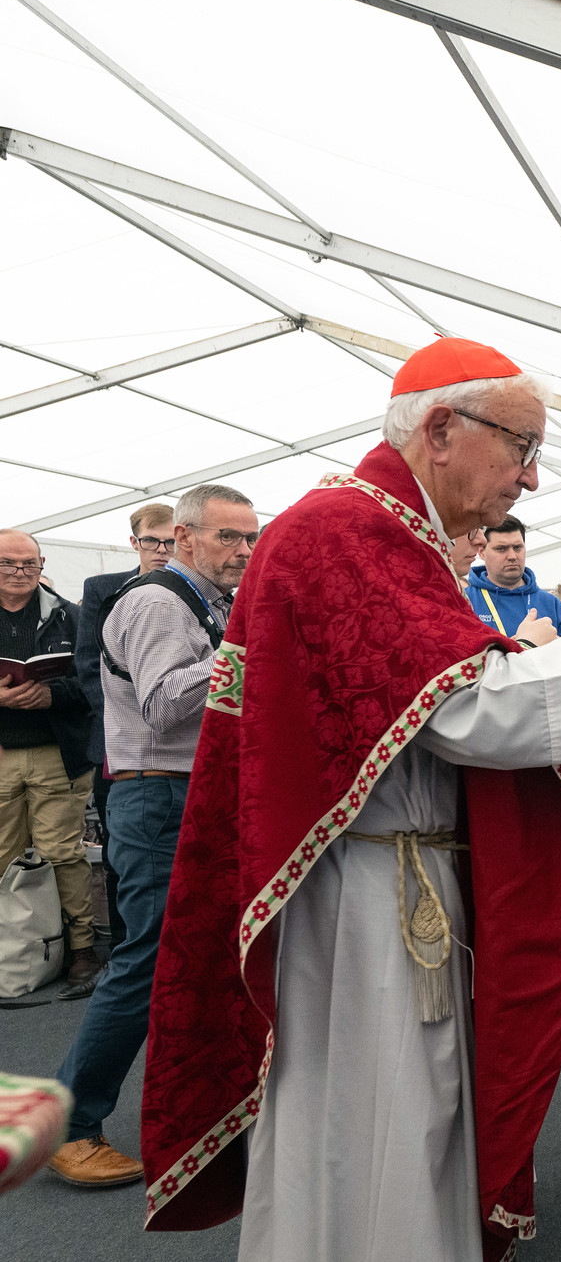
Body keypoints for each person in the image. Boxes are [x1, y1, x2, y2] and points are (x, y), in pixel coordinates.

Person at [138, 338, 561, 1260]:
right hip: (367, 908)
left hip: (402, 882)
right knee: (384, 1119)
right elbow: (468, 714)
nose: (531, 481)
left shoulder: (392, 534)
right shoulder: (343, 531)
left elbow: (448, 691)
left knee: (411, 1117)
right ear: (444, 426)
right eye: (523, 449)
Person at [48, 485, 253, 1189]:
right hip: (158, 794)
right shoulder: (158, 601)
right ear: (184, 537)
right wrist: (252, 656)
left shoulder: (203, 604)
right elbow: (165, 705)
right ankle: (68, 1123)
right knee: (145, 962)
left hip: (179, 793)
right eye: (229, 536)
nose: (244, 551)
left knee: (193, 958)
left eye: (250, 538)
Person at [76, 504, 179, 953]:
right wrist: (132, 719)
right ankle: (123, 948)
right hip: (120, 747)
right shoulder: (104, 589)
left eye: (169, 542)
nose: (161, 550)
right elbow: (87, 668)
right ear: (133, 542)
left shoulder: (195, 593)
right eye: (152, 541)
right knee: (123, 859)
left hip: (174, 745)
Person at [0, 529, 94, 994]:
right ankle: (15, 947)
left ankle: (81, 949)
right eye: (8, 564)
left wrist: (49, 695)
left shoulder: (72, 618)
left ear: (42, 564)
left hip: (59, 755)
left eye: (29, 564)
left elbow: (95, 687)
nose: (20, 573)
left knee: (62, 853)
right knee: (3, 858)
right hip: (2, 756)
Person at [465, 516, 561, 643]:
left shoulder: (552, 605)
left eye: (517, 547)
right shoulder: (465, 601)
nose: (512, 556)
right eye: (501, 549)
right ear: (482, 552)